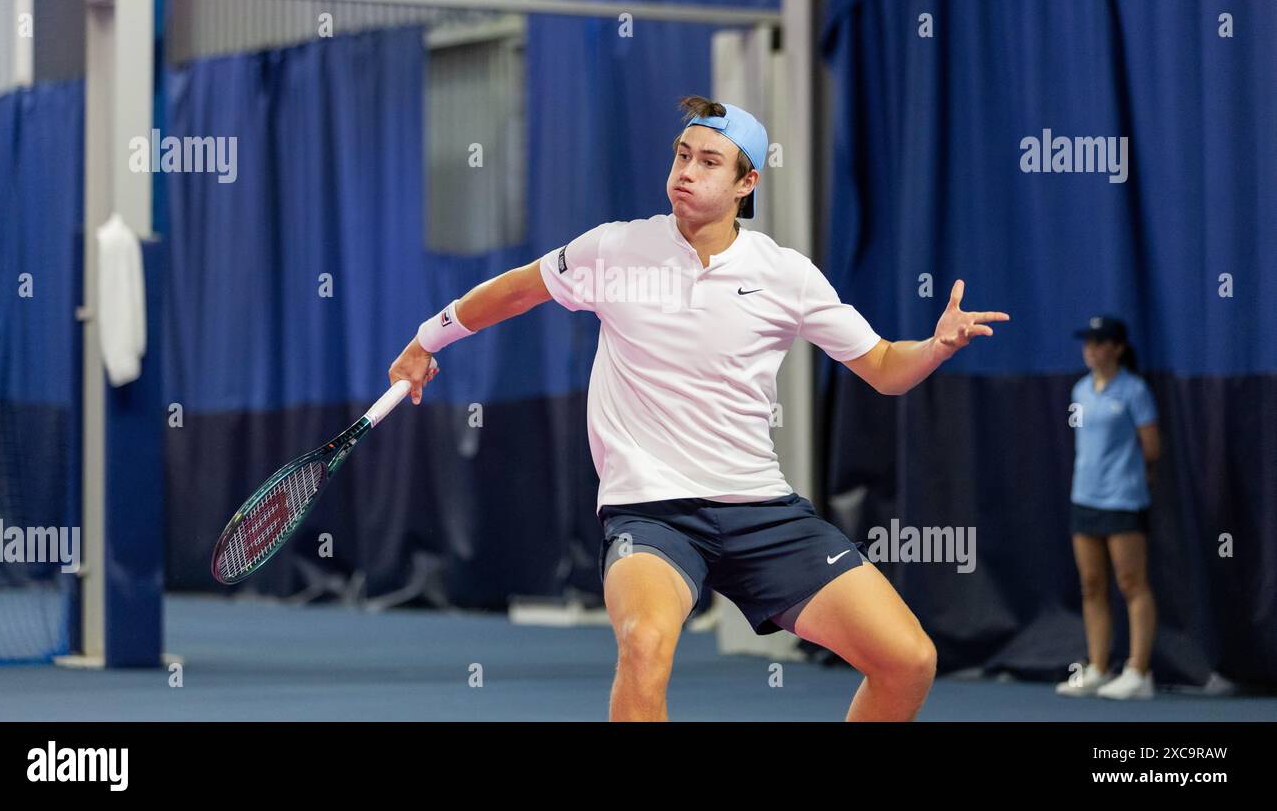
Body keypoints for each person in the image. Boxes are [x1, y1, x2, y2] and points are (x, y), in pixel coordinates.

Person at [388, 95, 1009, 721]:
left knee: (908, 661)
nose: (686, 171)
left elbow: (882, 370)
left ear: (747, 183)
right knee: (644, 643)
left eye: (709, 162)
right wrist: (426, 339)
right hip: (649, 512)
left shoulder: (786, 274)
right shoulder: (613, 250)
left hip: (760, 509)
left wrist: (933, 347)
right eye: (682, 155)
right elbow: (516, 291)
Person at [1055, 316, 1161, 700]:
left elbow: (1152, 448)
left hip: (1123, 500)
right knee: (1091, 585)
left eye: (1100, 342)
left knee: (1131, 583)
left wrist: (1130, 480)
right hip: (1084, 498)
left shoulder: (1135, 390)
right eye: (1088, 342)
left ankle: (1138, 672)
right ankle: (1099, 667)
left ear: (1117, 347)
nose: (1092, 349)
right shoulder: (1080, 390)